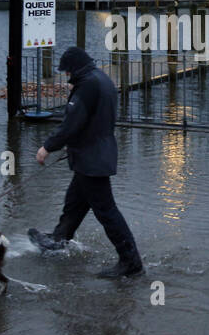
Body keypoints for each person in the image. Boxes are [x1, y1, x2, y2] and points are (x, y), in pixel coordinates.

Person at [29, 46, 144, 278]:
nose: (67, 76)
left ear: (75, 69)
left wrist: (47, 147)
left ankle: (131, 262)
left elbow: (71, 124)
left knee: (106, 211)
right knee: (75, 203)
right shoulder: (100, 78)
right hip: (94, 155)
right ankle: (58, 240)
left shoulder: (87, 85)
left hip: (92, 159)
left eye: (68, 72)